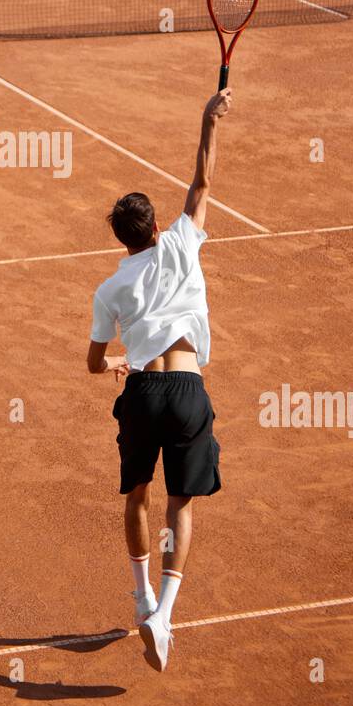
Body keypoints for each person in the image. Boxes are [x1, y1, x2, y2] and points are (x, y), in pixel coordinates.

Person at [87, 89, 231, 672]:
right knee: (182, 505)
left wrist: (119, 363)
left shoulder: (111, 288)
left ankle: (141, 594)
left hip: (142, 392)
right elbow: (201, 182)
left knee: (137, 497)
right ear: (154, 227)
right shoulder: (181, 243)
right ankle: (164, 614)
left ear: (122, 238)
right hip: (189, 392)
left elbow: (95, 363)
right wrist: (207, 119)